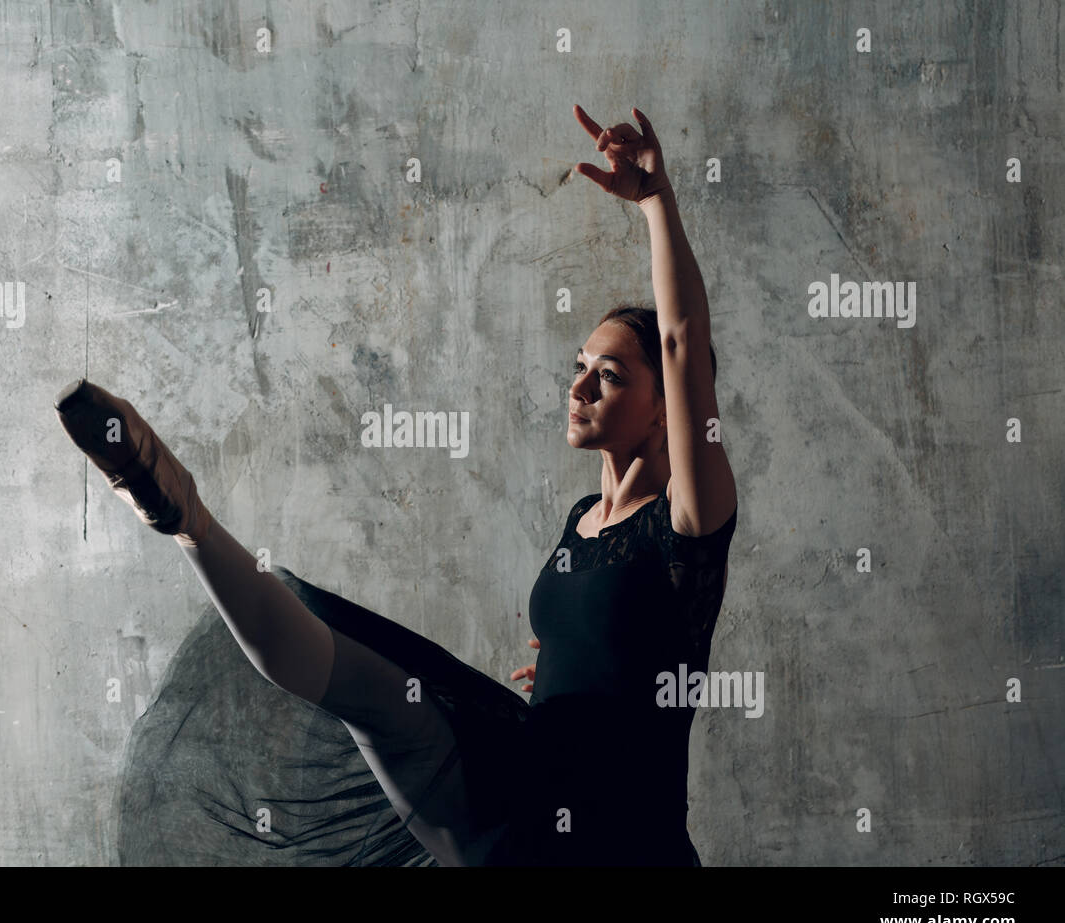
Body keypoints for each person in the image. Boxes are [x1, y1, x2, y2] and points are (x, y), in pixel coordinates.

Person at [56, 104, 738, 866]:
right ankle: (188, 520)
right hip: (521, 799)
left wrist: (656, 204)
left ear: (663, 410)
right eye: (578, 366)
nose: (578, 387)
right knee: (372, 692)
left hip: (621, 842)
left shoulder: (687, 523)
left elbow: (682, 342)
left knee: (378, 702)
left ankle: (193, 526)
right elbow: (601, 646)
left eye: (608, 376)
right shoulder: (583, 519)